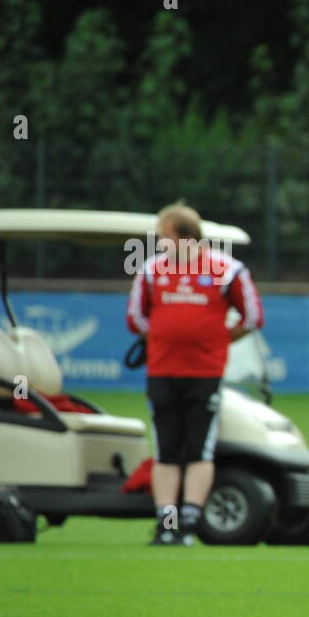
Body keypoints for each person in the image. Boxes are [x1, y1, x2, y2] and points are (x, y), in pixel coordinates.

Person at [126, 202, 264, 545]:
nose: (159, 243)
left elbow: (252, 317)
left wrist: (216, 339)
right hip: (162, 371)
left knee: (200, 448)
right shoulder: (151, 270)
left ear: (185, 236)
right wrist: (164, 338)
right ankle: (167, 523)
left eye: (164, 236)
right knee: (166, 449)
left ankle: (188, 522)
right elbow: (136, 319)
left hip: (205, 372)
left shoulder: (227, 269)